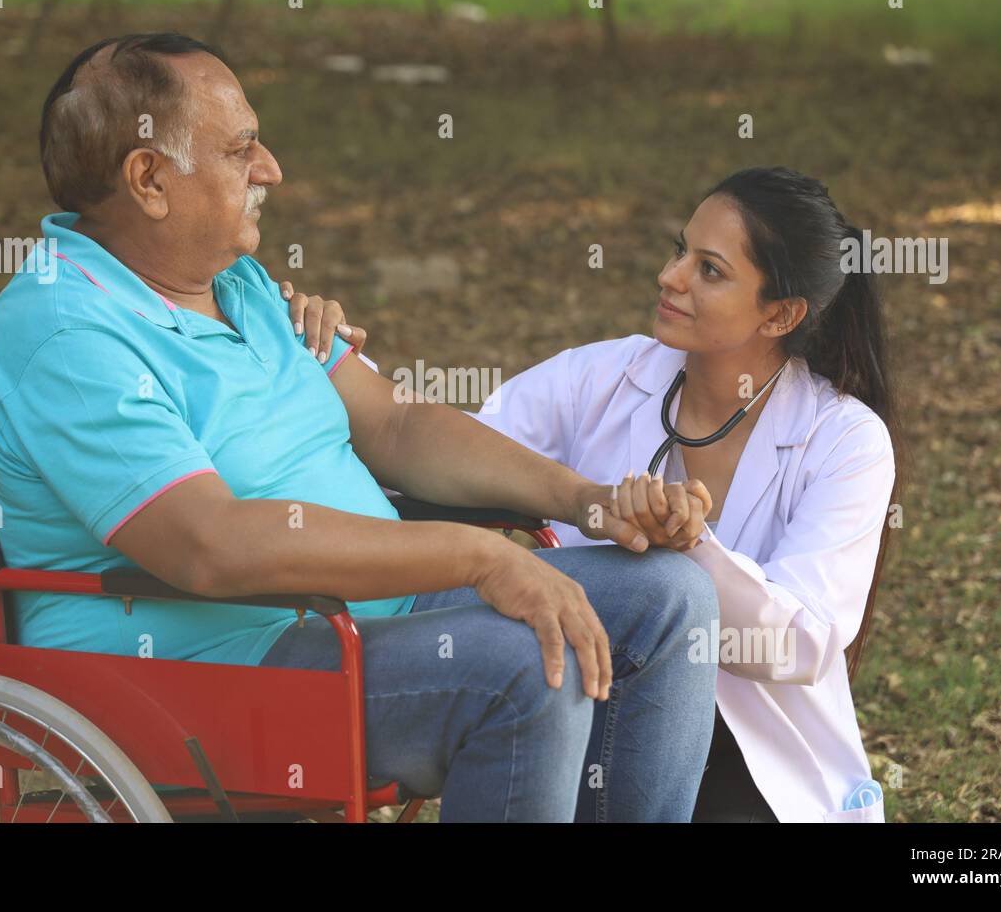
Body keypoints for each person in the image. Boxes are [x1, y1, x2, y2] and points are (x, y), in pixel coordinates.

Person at [0, 32, 720, 822]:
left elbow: (394, 425)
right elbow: (208, 544)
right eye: (241, 149)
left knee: (667, 596)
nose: (271, 170)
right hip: (206, 668)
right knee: (525, 665)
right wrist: (476, 555)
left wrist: (585, 499)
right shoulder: (68, 333)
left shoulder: (237, 285)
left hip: (357, 622)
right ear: (149, 179)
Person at [293, 167, 903, 822]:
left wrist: (691, 546)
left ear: (780, 314)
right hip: (584, 702)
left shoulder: (845, 440)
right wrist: (335, 365)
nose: (671, 278)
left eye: (710, 271)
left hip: (747, 748)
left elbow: (802, 643)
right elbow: (447, 452)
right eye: (679, 251)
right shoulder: (604, 377)